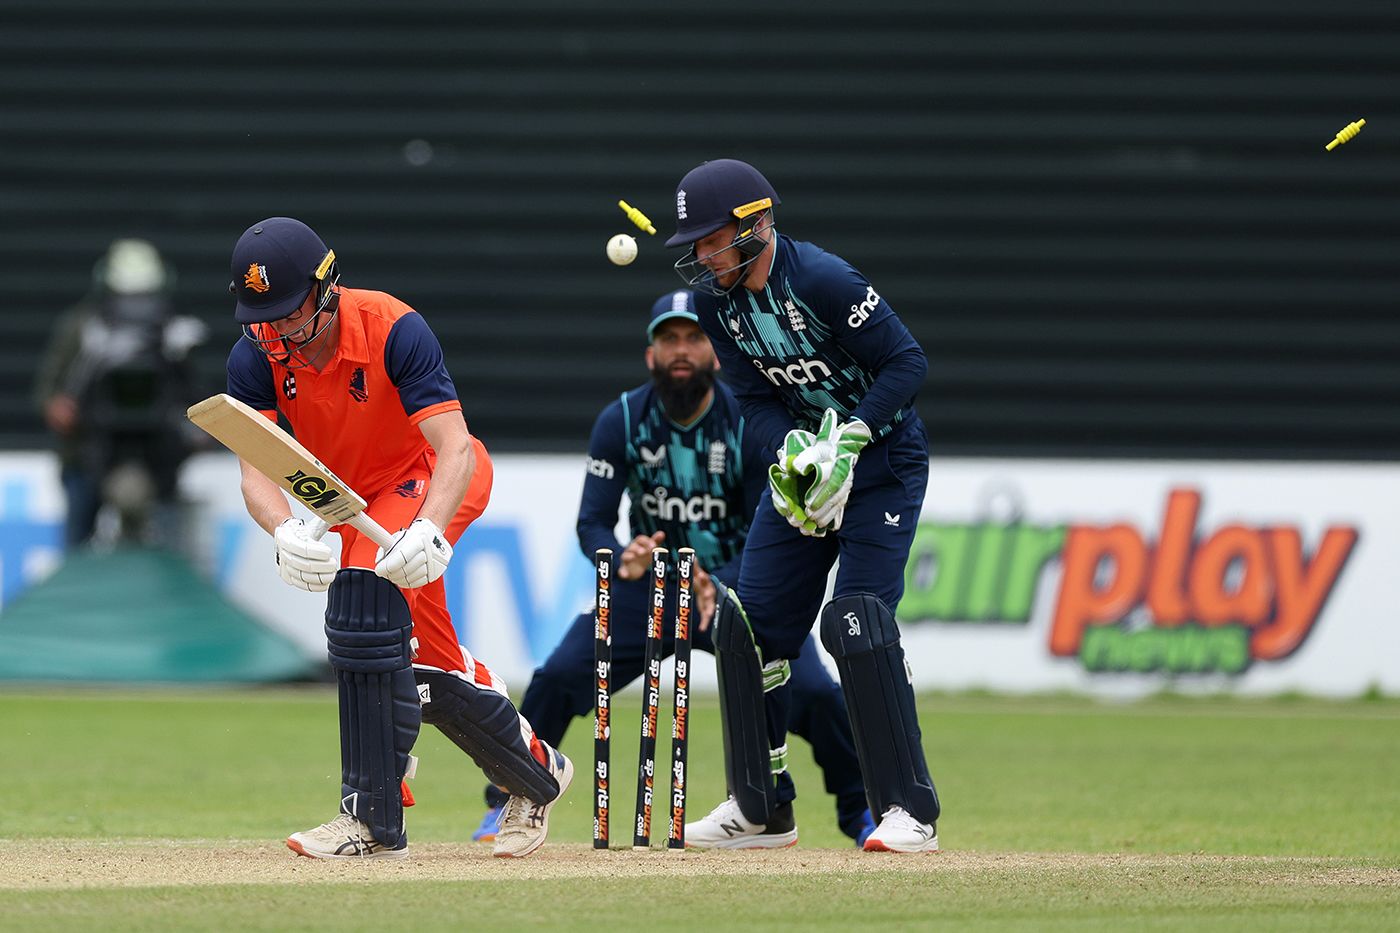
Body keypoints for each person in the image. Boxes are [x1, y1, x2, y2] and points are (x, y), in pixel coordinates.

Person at [471, 290, 874, 848]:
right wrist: (621, 558)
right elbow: (592, 525)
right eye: (669, 339)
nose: (681, 350)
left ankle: (860, 813)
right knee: (558, 677)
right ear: (651, 355)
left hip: (737, 592)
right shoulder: (623, 420)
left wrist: (719, 579)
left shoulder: (748, 422)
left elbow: (772, 524)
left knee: (817, 696)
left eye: (694, 338)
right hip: (651, 591)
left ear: (717, 353)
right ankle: (507, 803)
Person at [223, 216, 570, 860]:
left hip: (432, 477)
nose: (279, 331)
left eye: (289, 311)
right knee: (427, 667)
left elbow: (454, 446)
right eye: (263, 317)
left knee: (362, 603)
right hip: (355, 500)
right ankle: (537, 773)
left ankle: (370, 819)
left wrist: (431, 528)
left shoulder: (392, 327)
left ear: (326, 286)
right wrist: (283, 528)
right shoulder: (255, 355)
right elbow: (255, 469)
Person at [665, 160, 941, 853]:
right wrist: (793, 452)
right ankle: (761, 809)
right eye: (696, 243)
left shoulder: (822, 279)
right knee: (746, 628)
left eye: (713, 240)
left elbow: (907, 363)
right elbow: (756, 400)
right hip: (806, 470)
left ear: (756, 224)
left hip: (881, 463)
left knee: (856, 621)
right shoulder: (714, 306)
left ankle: (909, 810)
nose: (704, 256)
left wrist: (852, 437)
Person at [34, 238, 205, 548]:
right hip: (87, 452)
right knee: (78, 545)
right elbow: (49, 391)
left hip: (159, 457)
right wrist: (59, 408)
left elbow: (192, 392)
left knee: (170, 548)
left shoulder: (173, 335)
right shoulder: (82, 329)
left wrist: (195, 427)